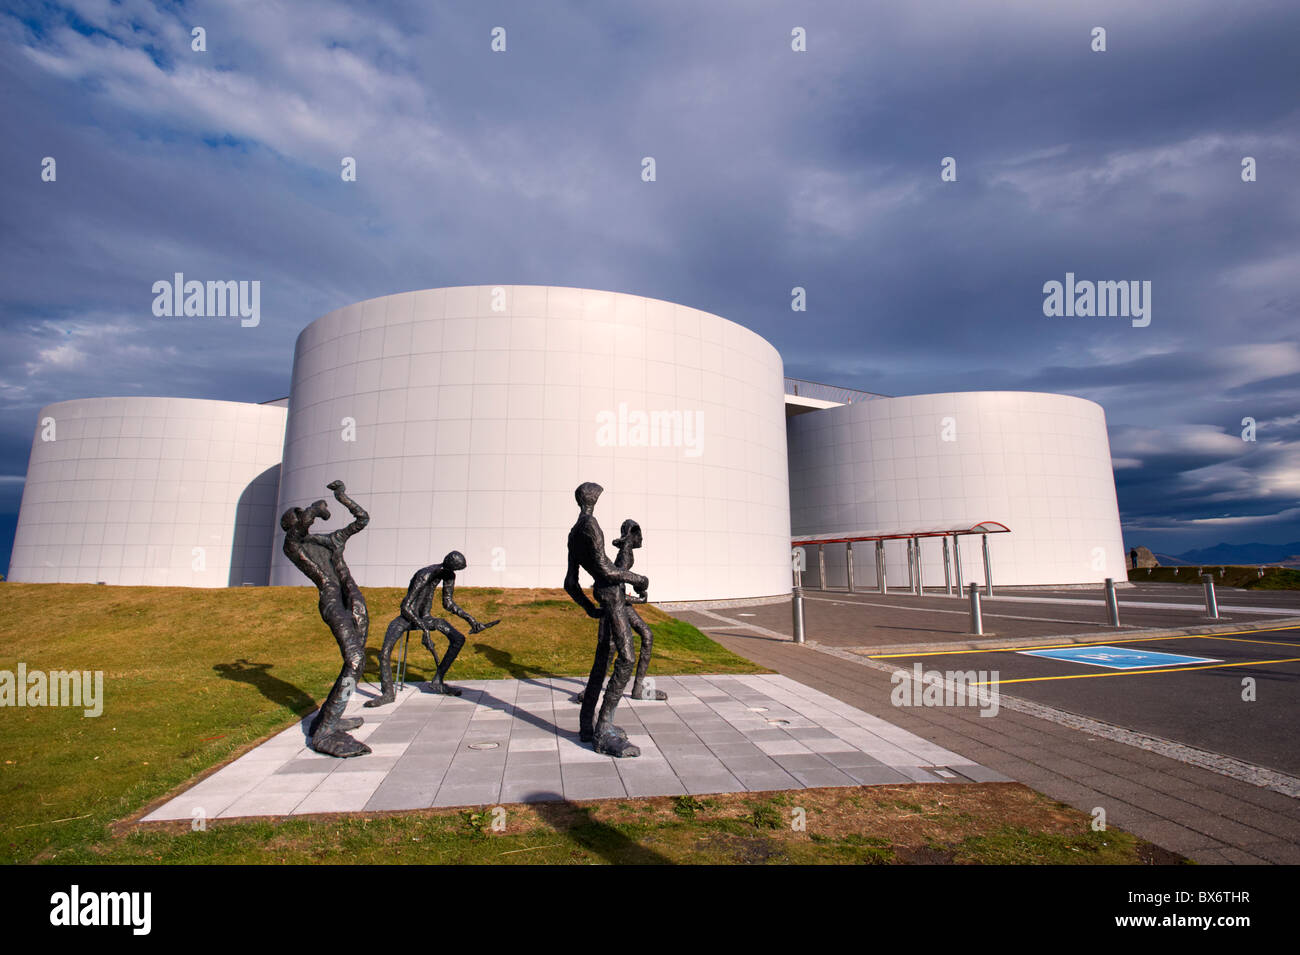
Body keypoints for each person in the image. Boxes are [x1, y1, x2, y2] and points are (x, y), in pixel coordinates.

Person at [279, 480, 371, 758]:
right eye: (298, 517)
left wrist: (341, 497)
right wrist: (317, 509)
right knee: (354, 660)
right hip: (332, 603)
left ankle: (330, 715)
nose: (302, 519)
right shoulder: (294, 547)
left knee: (356, 659)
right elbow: (298, 529)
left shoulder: (332, 540)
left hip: (353, 598)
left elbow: (363, 519)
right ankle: (325, 732)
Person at [564, 482, 648, 757]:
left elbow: (570, 583)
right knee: (626, 658)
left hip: (604, 596)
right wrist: (638, 579)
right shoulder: (590, 526)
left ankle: (587, 727)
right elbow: (605, 569)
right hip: (611, 595)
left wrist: (589, 608)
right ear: (594, 499)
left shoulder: (574, 531)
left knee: (603, 659)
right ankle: (604, 728)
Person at [365, 551, 498, 706]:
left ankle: (438, 680)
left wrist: (471, 620)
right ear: (448, 564)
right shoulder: (425, 574)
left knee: (458, 638)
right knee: (384, 653)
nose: (453, 574)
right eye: (454, 569)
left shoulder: (448, 575)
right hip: (407, 618)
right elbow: (405, 607)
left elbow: (447, 603)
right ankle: (387, 693)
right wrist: (424, 629)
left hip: (425, 618)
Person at [574, 519, 667, 705]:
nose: (641, 538)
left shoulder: (627, 552)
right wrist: (638, 590)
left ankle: (636, 688)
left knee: (644, 636)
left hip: (620, 602)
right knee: (611, 648)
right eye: (639, 534)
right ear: (632, 534)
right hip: (616, 603)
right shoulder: (626, 553)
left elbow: (619, 586)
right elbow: (614, 583)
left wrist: (634, 599)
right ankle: (593, 692)